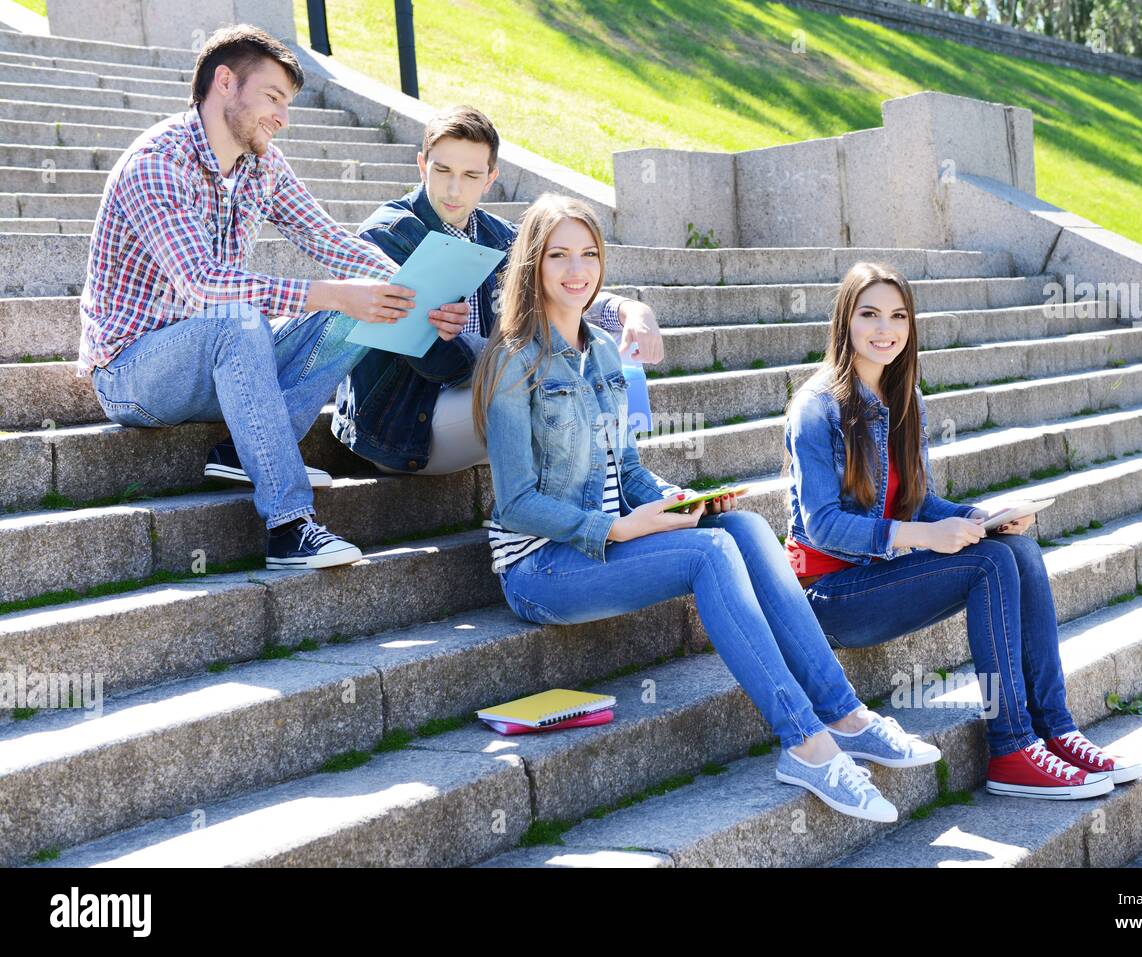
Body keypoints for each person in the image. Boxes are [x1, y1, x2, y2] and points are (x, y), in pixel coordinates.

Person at [471, 194, 942, 822]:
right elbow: (517, 503)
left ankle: (847, 714)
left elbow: (627, 469)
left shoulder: (605, 354)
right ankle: (806, 743)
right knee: (711, 552)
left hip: (612, 540)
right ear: (532, 264)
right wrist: (614, 525)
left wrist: (672, 499)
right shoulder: (511, 362)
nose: (577, 269)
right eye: (559, 255)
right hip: (543, 569)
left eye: (588, 254)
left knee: (740, 525)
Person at [78, 25, 462, 569]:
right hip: (135, 373)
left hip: (224, 359)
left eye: (288, 104)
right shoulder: (157, 165)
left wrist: (416, 295)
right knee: (242, 320)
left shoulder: (263, 163)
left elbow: (329, 240)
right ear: (225, 82)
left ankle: (246, 450)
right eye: (273, 98)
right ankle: (288, 526)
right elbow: (204, 285)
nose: (282, 117)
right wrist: (327, 293)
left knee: (362, 312)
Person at [783, 261, 1142, 799]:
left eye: (898, 316)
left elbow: (919, 503)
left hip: (881, 577)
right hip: (830, 594)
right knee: (989, 562)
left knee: (1014, 547)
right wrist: (925, 537)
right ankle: (1012, 748)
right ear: (845, 322)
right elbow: (825, 525)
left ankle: (1057, 729)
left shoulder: (904, 399)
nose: (885, 329)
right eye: (870, 315)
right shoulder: (816, 410)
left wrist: (980, 518)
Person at [332, 105, 664, 476]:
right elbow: (436, 363)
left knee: (594, 360)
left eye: (471, 175)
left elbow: (560, 293)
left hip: (488, 395)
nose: (454, 189)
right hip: (404, 425)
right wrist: (517, 357)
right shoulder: (388, 236)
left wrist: (626, 311)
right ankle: (572, 519)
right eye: (442, 171)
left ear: (491, 178)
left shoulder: (499, 236)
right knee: (549, 388)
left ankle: (627, 497)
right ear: (422, 165)